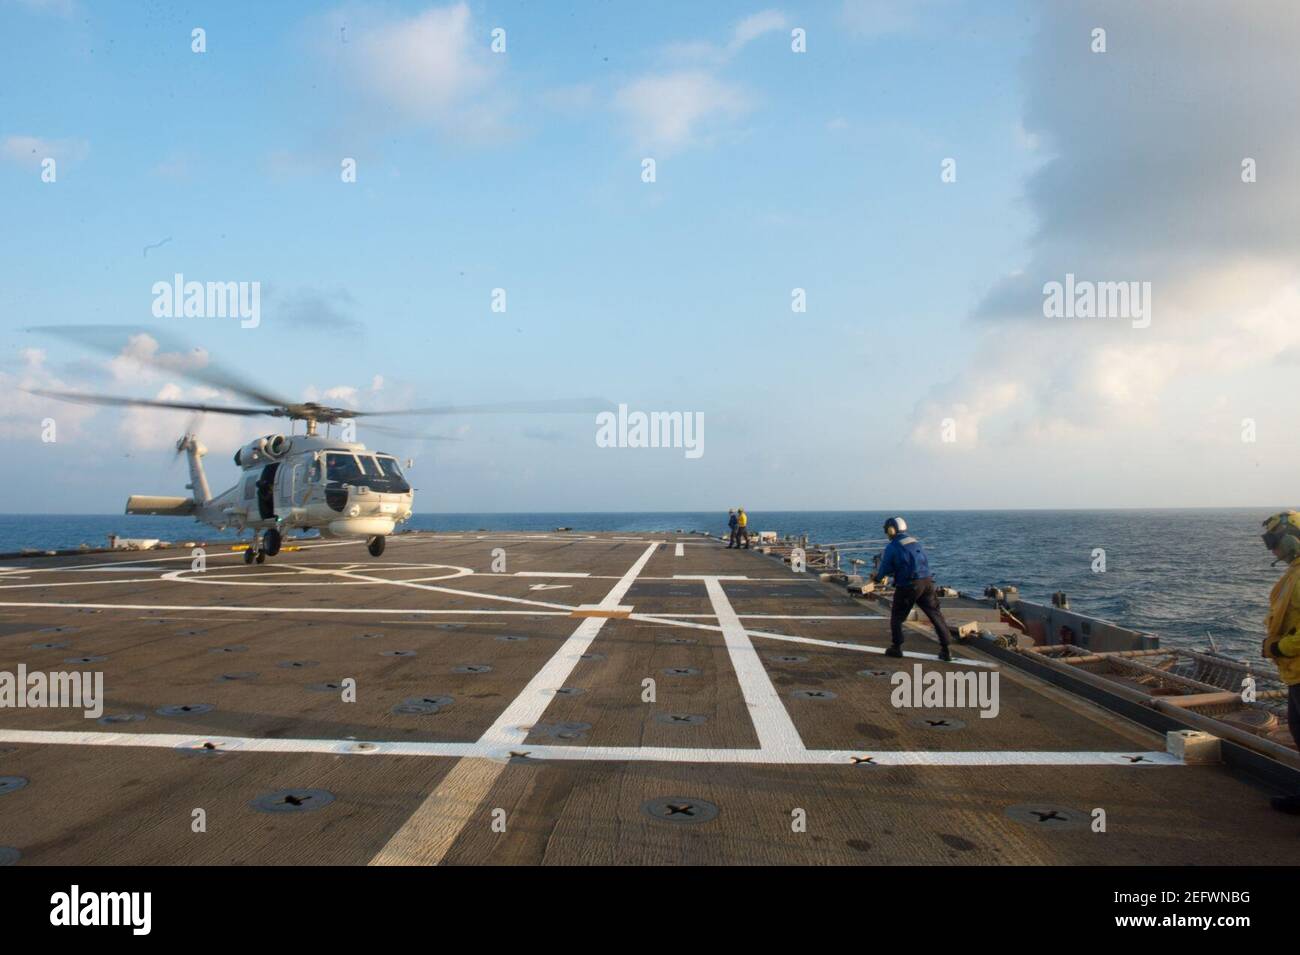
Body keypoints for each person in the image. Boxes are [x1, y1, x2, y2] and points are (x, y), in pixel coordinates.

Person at [864, 516, 952, 662]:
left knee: (897, 617)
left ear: (891, 530)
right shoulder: (915, 542)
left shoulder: (892, 546)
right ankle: (946, 649)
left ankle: (896, 648)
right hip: (927, 583)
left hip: (908, 586)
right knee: (935, 615)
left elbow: (885, 567)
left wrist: (877, 578)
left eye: (887, 530)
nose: (887, 533)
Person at [1261, 510, 1300, 814]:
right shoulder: (1293, 574)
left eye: (1273, 540)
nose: (1271, 549)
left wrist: (1280, 648)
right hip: (1295, 672)